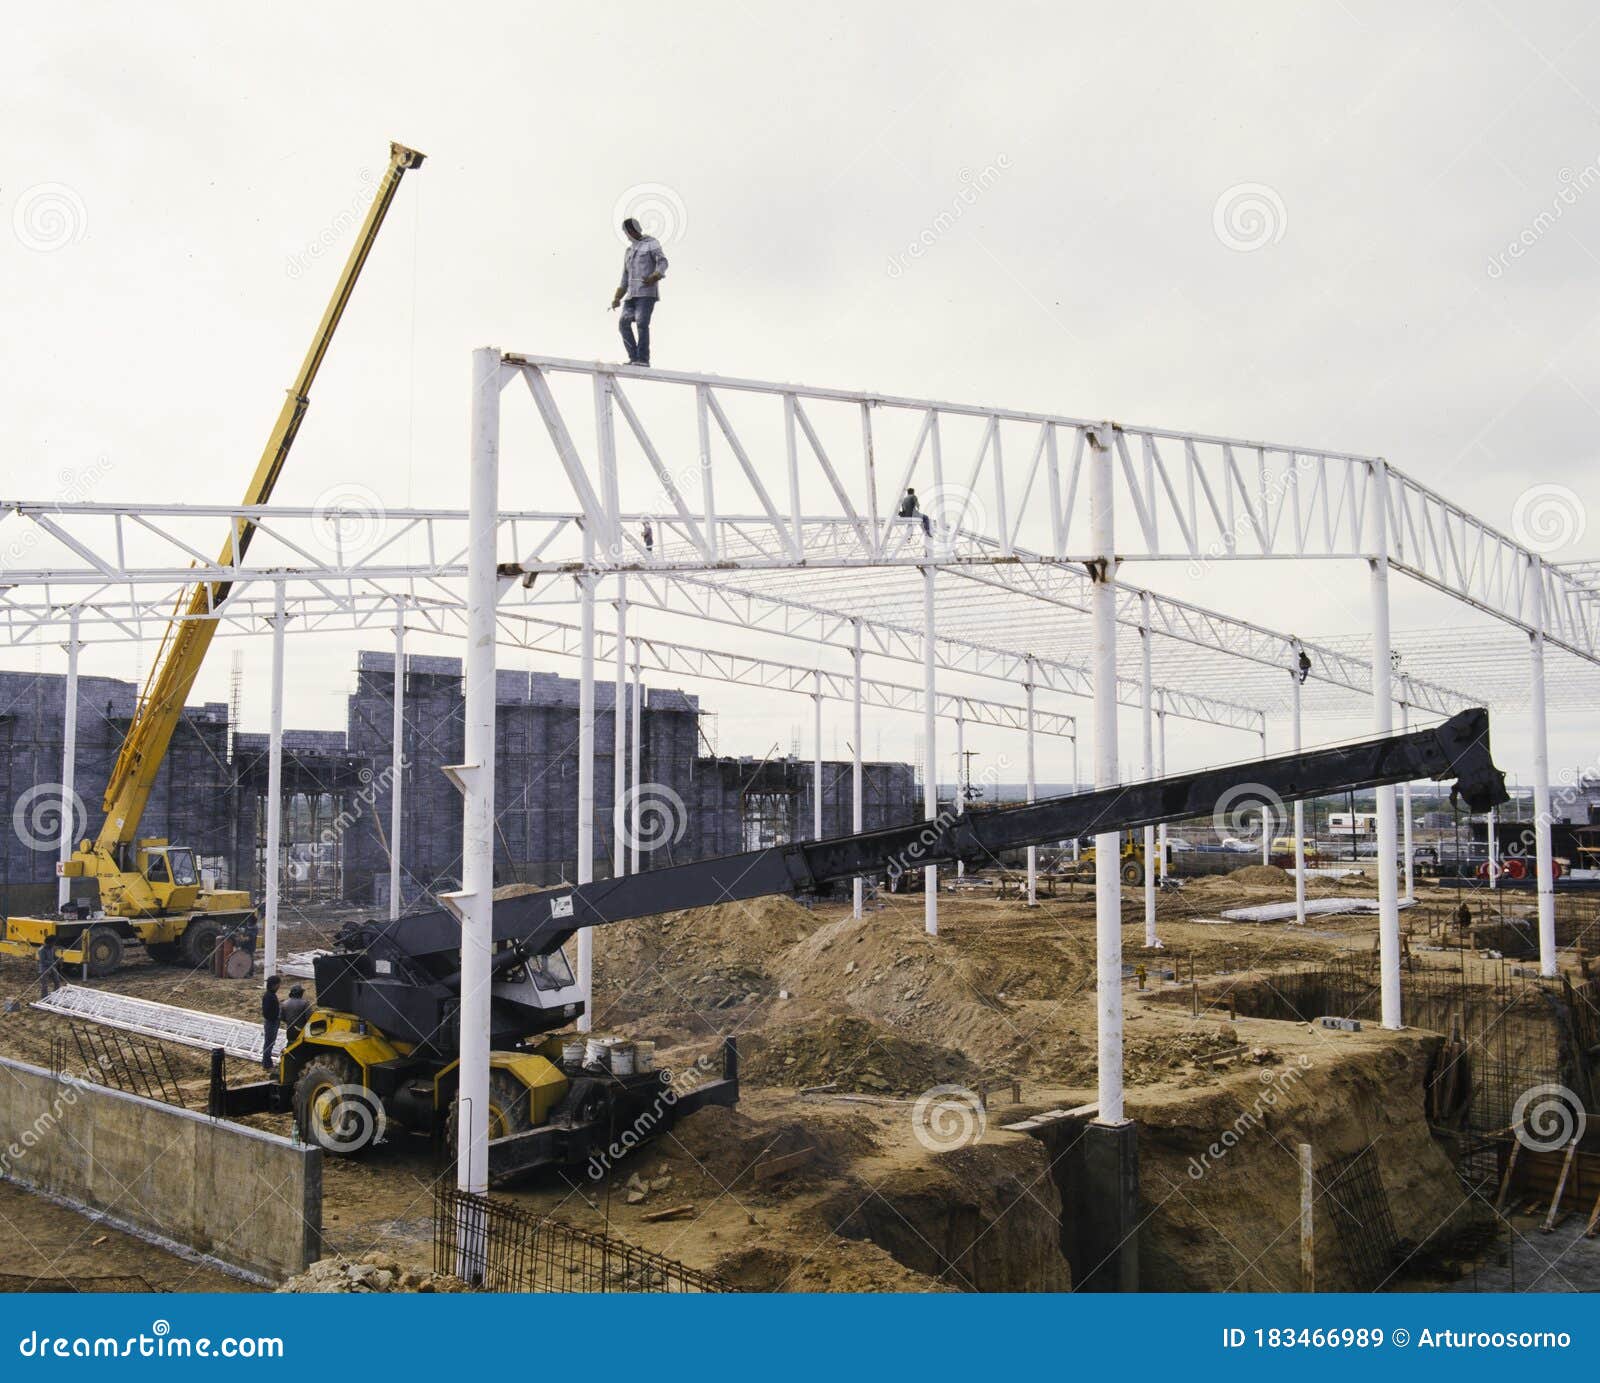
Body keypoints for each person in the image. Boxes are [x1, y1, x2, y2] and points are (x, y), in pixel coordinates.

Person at [610, 217, 668, 367]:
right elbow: (625, 276)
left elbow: (663, 261)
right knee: (623, 324)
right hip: (631, 295)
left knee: (642, 323)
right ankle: (633, 357)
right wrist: (617, 297)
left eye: (627, 232)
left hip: (646, 293)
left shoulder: (651, 243)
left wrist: (655, 276)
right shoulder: (629, 251)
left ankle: (643, 359)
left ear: (632, 230)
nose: (627, 235)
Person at [261, 975, 281, 1072]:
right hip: (271, 1023)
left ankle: (267, 1063)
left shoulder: (271, 995)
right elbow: (266, 1012)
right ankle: (267, 1065)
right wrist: (275, 1018)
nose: (279, 987)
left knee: (270, 1043)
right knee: (269, 1043)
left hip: (272, 1022)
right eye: (278, 984)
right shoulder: (269, 996)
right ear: (274, 985)